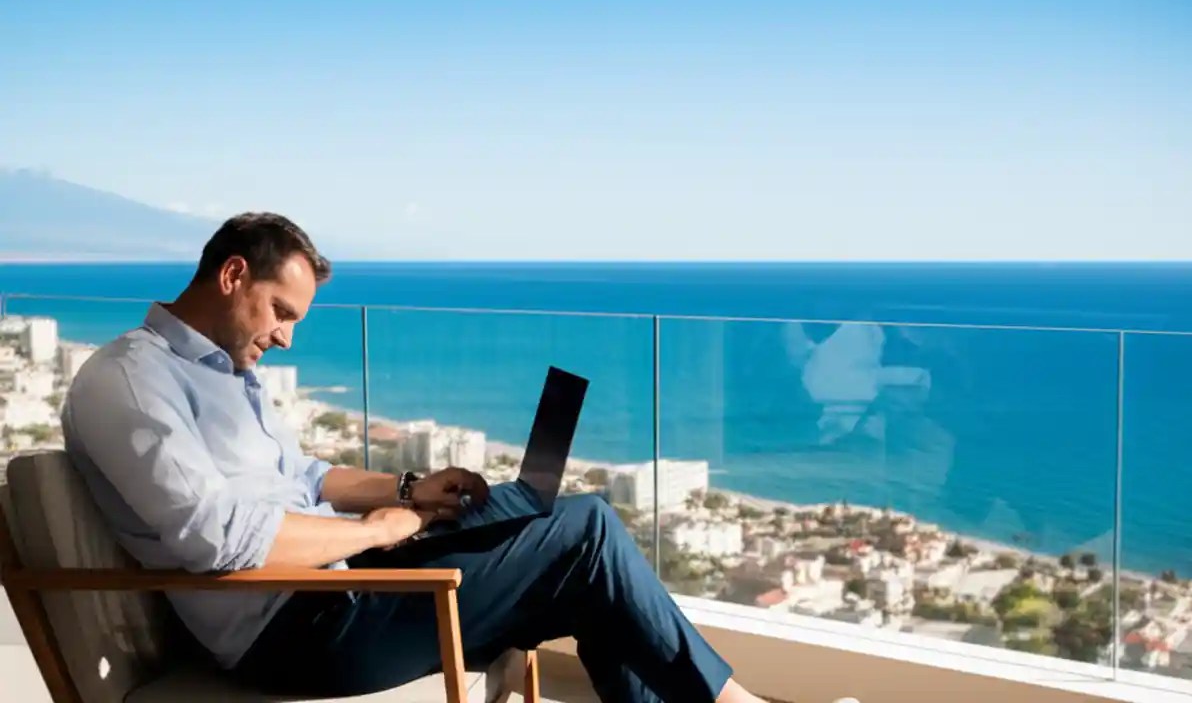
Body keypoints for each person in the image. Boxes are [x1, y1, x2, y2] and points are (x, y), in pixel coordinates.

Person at [61, 212, 832, 703]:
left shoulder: (230, 373)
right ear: (233, 276)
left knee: (559, 543)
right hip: (298, 635)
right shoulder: (131, 382)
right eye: (281, 312)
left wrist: (411, 490)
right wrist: (377, 530)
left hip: (336, 588)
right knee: (587, 534)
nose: (287, 336)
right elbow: (219, 537)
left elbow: (303, 480)